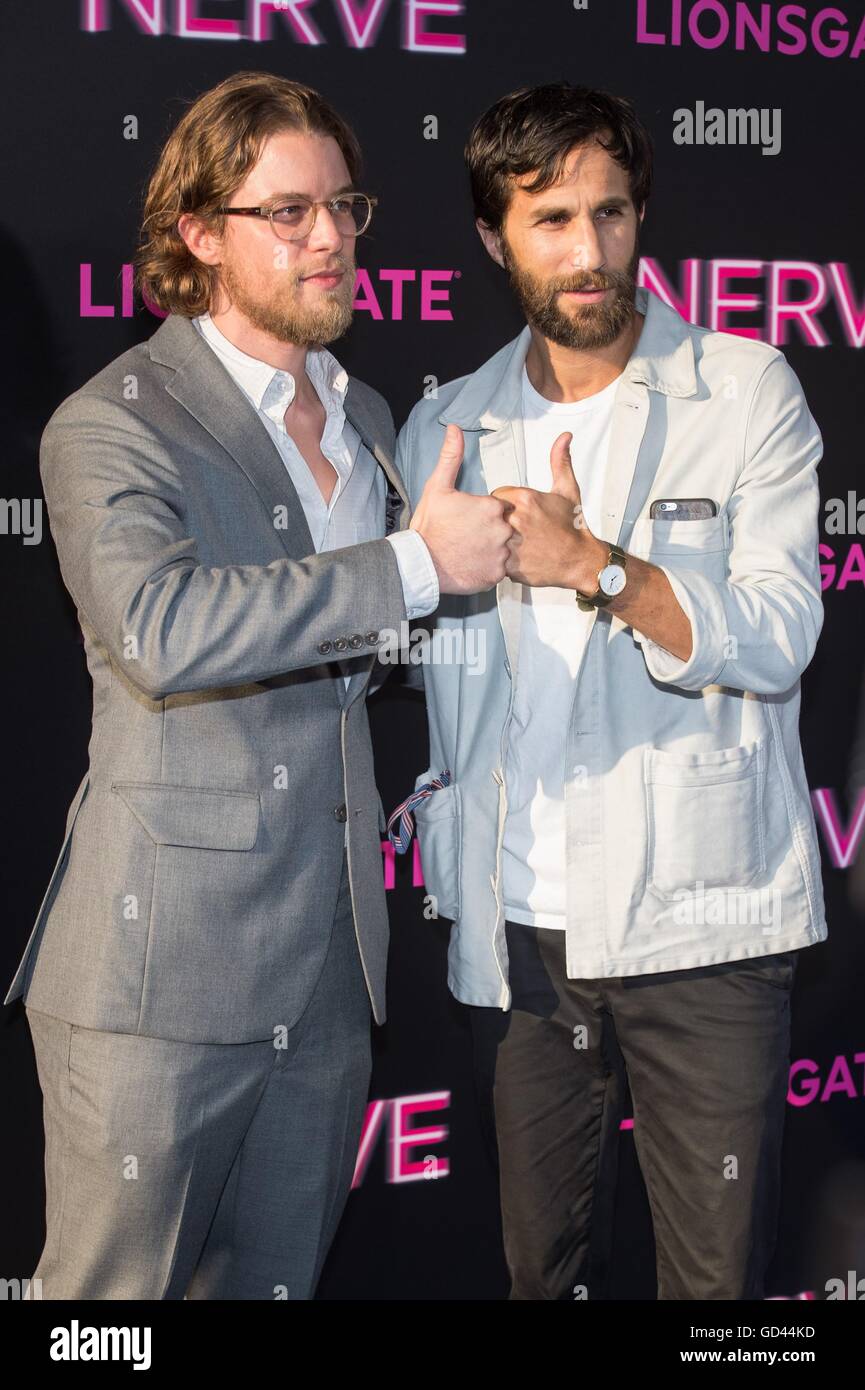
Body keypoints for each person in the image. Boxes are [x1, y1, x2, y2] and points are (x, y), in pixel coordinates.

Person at [4, 70, 512, 1300]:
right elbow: (162, 629)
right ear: (197, 233)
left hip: (329, 973)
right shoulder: (113, 421)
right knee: (105, 1318)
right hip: (158, 978)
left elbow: (350, 651)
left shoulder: (369, 416)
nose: (330, 238)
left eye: (345, 207)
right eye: (287, 213)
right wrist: (410, 562)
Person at [396, 82, 827, 1299]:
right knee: (542, 1272)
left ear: (641, 215)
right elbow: (441, 687)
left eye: (611, 213)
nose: (588, 253)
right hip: (524, 932)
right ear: (492, 237)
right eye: (549, 220)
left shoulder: (744, 388)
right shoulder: (448, 423)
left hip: (703, 920)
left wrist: (604, 570)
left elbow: (783, 631)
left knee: (717, 1286)